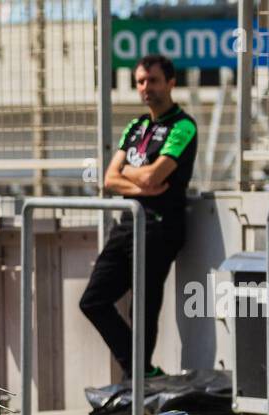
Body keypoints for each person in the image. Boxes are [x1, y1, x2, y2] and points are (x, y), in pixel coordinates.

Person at [80, 53, 198, 381]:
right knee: (93, 300)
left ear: (171, 83)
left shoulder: (182, 125)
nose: (146, 88)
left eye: (154, 81)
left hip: (161, 226)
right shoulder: (136, 126)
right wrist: (140, 179)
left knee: (142, 306)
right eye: (141, 82)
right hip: (129, 222)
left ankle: (140, 378)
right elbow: (109, 179)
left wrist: (132, 176)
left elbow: (150, 178)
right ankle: (141, 371)